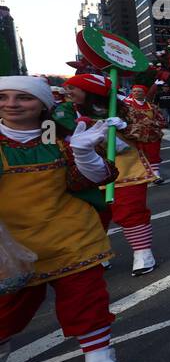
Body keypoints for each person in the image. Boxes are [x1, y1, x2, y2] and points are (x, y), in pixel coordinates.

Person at [0, 76, 134, 362]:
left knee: (86, 299)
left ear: (43, 104)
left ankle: (100, 361)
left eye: (23, 98)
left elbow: (94, 180)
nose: (11, 105)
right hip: (11, 244)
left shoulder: (63, 137)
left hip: (70, 234)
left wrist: (85, 154)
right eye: (3, 97)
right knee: (8, 310)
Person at [61, 73, 161, 276]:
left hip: (125, 169)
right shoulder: (63, 112)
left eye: (73, 88)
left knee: (130, 211)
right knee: (92, 215)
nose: (67, 92)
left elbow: (154, 132)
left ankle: (143, 253)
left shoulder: (123, 109)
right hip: (83, 173)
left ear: (89, 91)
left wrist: (127, 126)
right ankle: (100, 253)